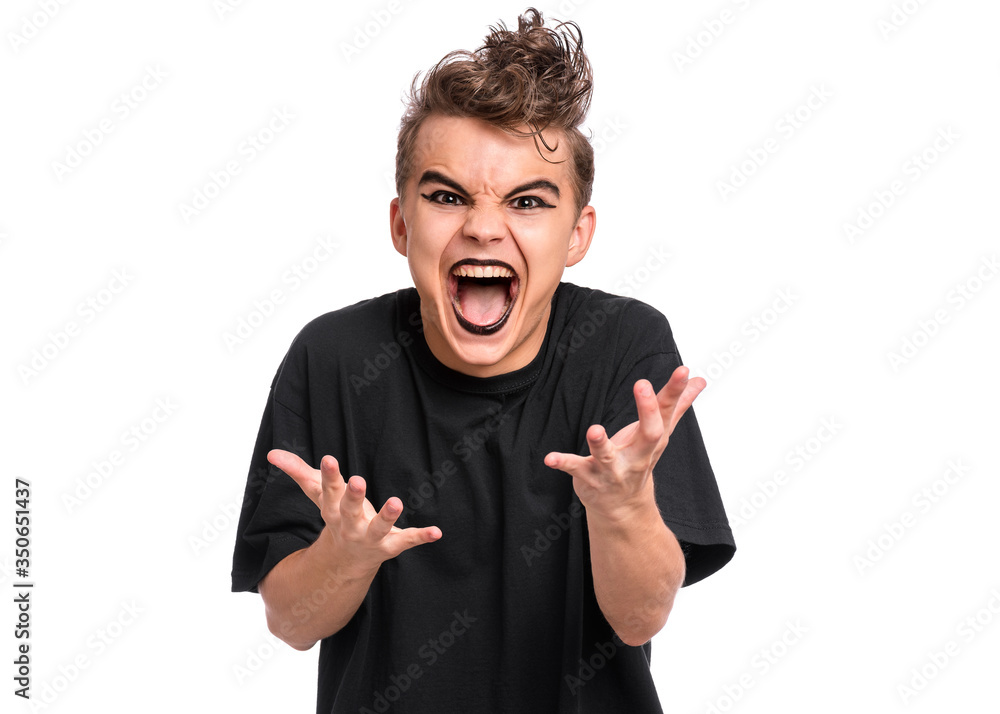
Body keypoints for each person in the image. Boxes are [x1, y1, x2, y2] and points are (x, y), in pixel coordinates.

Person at [231, 8, 735, 713]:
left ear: (577, 234)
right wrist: (342, 557)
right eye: (446, 196)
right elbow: (289, 621)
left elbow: (640, 617)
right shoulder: (334, 359)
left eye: (528, 202)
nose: (485, 227)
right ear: (401, 224)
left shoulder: (626, 347)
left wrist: (620, 508)